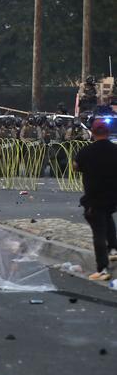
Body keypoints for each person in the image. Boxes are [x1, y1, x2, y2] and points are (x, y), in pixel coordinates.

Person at [73, 120, 117, 280]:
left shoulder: (87, 151)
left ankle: (102, 269)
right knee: (108, 218)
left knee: (98, 232)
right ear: (108, 132)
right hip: (112, 196)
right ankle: (113, 249)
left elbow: (75, 166)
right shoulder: (114, 150)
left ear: (92, 132)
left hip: (94, 197)